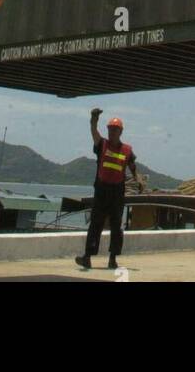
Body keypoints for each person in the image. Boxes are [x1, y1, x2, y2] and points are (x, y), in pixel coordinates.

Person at [75, 109, 137, 271]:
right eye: (110, 129)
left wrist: (137, 180)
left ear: (121, 131)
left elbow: (132, 165)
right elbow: (94, 132)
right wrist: (94, 119)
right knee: (96, 223)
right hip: (102, 190)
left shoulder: (127, 150)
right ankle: (87, 257)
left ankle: (113, 258)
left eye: (115, 130)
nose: (112, 132)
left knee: (117, 226)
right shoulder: (102, 144)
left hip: (117, 191)